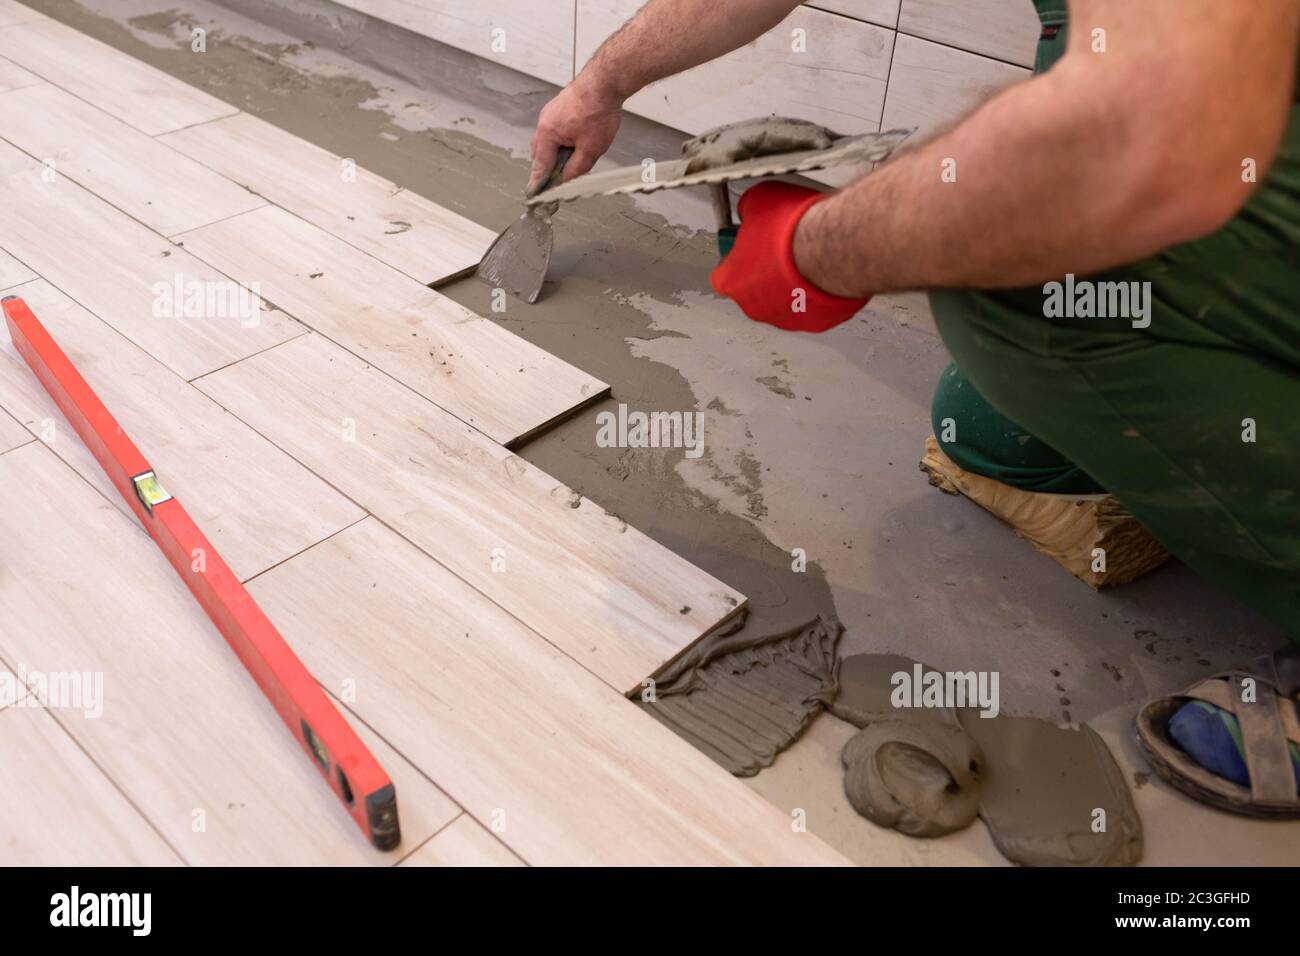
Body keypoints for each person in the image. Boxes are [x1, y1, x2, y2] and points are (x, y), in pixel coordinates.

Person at [528, 0, 1300, 816]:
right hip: (1221, 125)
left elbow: (1136, 130)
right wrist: (601, 83)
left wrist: (815, 253)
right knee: (994, 429)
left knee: (1020, 293)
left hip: (1212, 133)